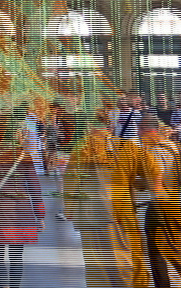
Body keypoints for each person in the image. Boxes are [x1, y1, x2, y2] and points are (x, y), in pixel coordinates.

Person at [63, 106, 153, 288]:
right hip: (121, 211)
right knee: (125, 256)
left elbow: (72, 180)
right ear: (110, 125)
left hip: (90, 213)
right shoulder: (128, 147)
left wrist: (69, 209)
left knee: (97, 263)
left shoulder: (82, 148)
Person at [0, 116, 45, 288]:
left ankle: (4, 286)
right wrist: (40, 215)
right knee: (16, 254)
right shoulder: (23, 155)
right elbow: (34, 187)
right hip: (20, 210)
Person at [141, 116, 181, 288]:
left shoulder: (155, 151)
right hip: (176, 204)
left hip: (163, 205)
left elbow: (153, 180)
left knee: (165, 249)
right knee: (160, 250)